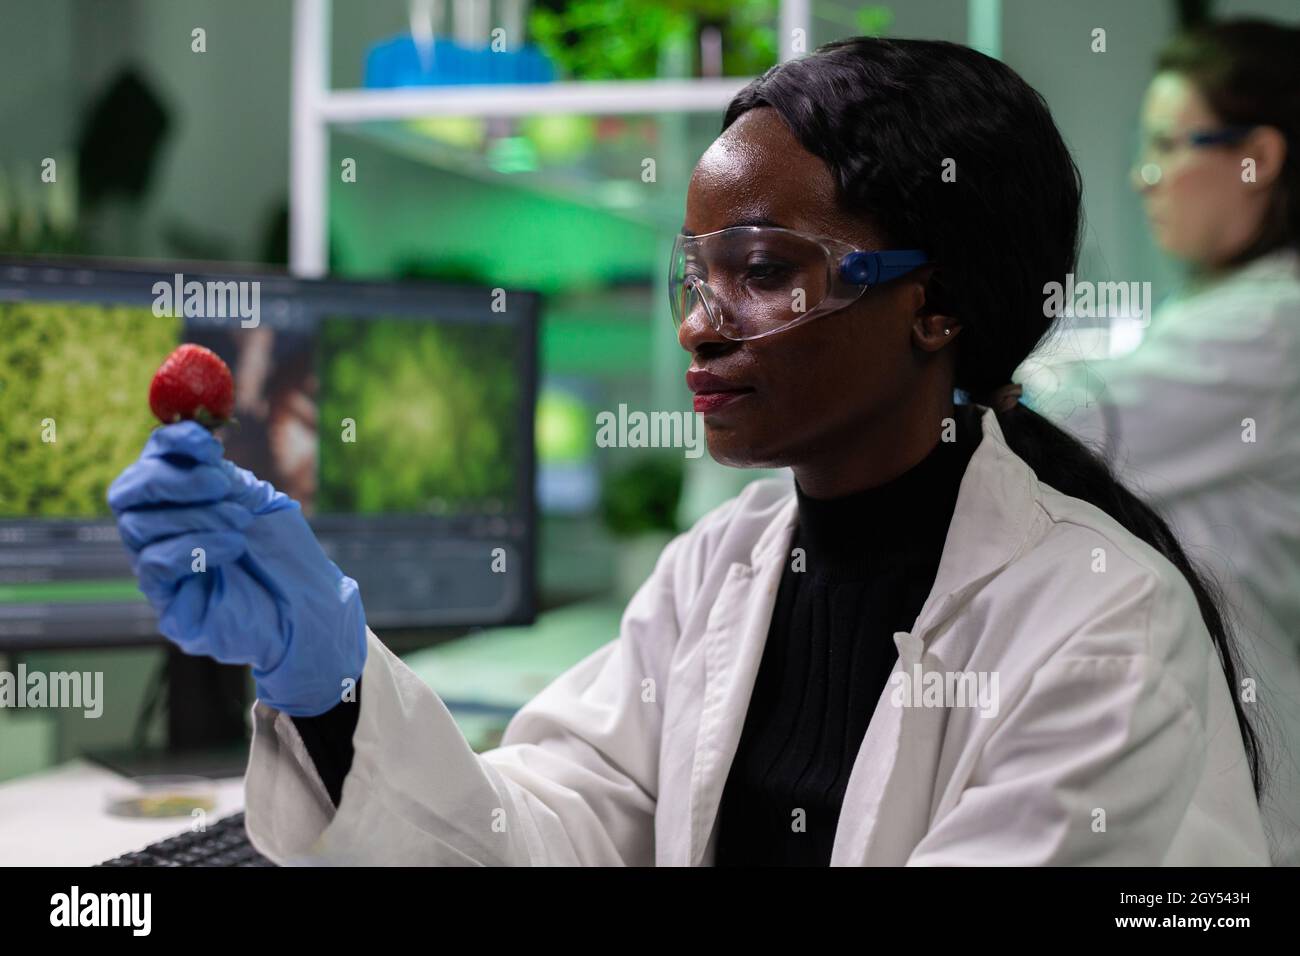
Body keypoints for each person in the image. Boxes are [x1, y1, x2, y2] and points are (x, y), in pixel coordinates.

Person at [108, 37, 1270, 865]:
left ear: (936, 304)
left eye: (763, 272)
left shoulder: (1102, 626)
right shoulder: (717, 568)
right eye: (695, 274)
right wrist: (331, 683)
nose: (697, 323)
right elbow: (543, 828)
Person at [1025, 19, 1300, 863]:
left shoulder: (1272, 327)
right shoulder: (1231, 315)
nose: (1145, 177)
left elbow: (1063, 425)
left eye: (1168, 146)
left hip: (1256, 800)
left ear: (1259, 155)